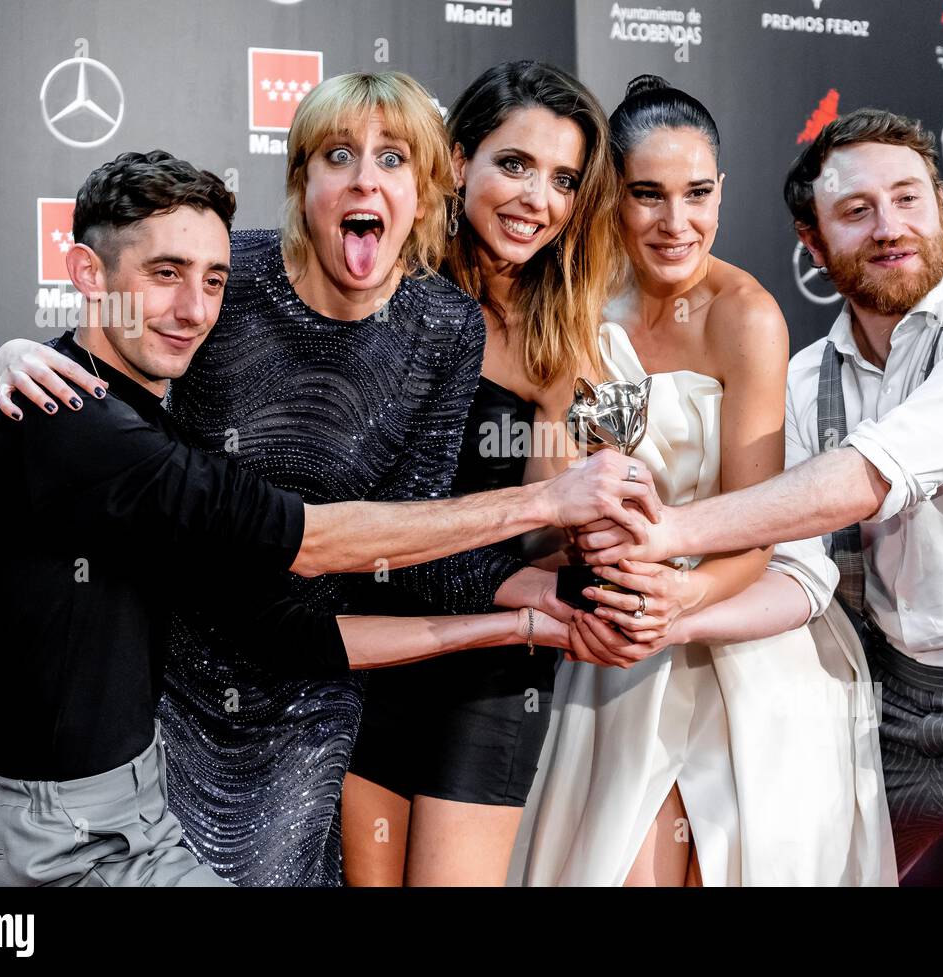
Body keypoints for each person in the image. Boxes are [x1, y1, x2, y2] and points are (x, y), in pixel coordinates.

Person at [0, 73, 658, 886]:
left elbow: (409, 543)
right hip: (161, 696)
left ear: (426, 185)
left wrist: (526, 595)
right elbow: (99, 379)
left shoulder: (442, 327)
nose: (367, 178)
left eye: (394, 159)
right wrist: (13, 362)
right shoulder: (229, 278)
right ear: (304, 183)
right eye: (340, 155)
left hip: (311, 682)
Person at [577, 108, 943, 886]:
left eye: (909, 199)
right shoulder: (806, 379)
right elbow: (799, 573)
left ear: (941, 209)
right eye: (856, 211)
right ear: (813, 243)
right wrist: (672, 612)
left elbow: (870, 476)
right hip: (890, 711)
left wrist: (669, 529)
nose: (889, 227)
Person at [507, 76, 896, 887]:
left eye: (695, 194)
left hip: (739, 633)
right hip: (614, 638)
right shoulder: (575, 311)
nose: (674, 222)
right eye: (646, 195)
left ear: (721, 193)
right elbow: (538, 519)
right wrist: (586, 552)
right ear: (612, 198)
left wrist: (671, 602)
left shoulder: (745, 315)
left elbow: (754, 536)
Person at [342, 60, 627, 887]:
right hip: (371, 645)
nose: (538, 198)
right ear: (458, 161)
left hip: (499, 663)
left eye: (564, 179)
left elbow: (547, 540)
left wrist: (610, 528)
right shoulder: (380, 286)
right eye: (516, 164)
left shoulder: (562, 339)